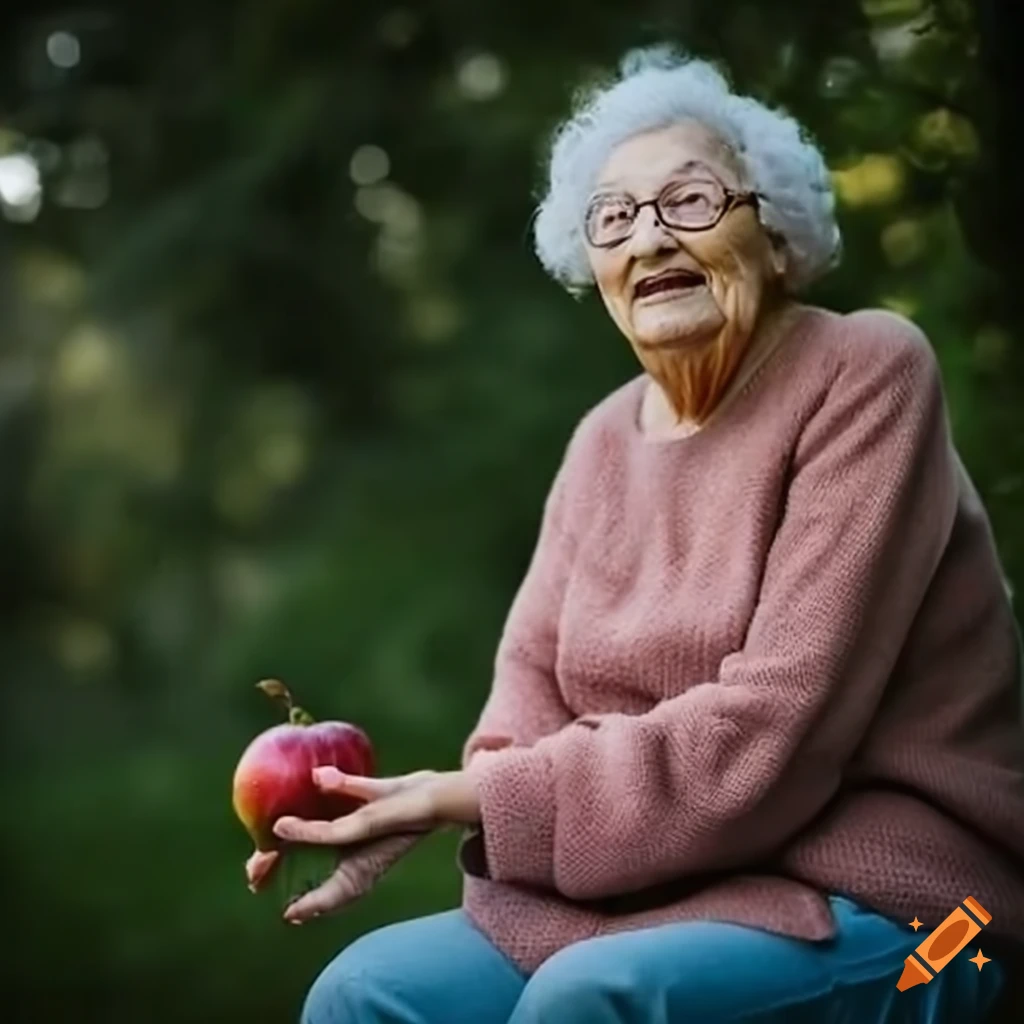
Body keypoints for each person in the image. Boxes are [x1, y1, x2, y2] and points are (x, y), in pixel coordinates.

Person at [255, 47, 1024, 1023]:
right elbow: (517, 721)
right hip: (669, 893)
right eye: (615, 218)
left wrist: (471, 797)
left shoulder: (867, 372)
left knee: (593, 1001)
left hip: (924, 908)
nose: (651, 237)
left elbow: (773, 731)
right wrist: (412, 805)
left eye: (691, 201)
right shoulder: (600, 441)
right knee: (364, 992)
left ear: (777, 235)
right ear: (597, 269)